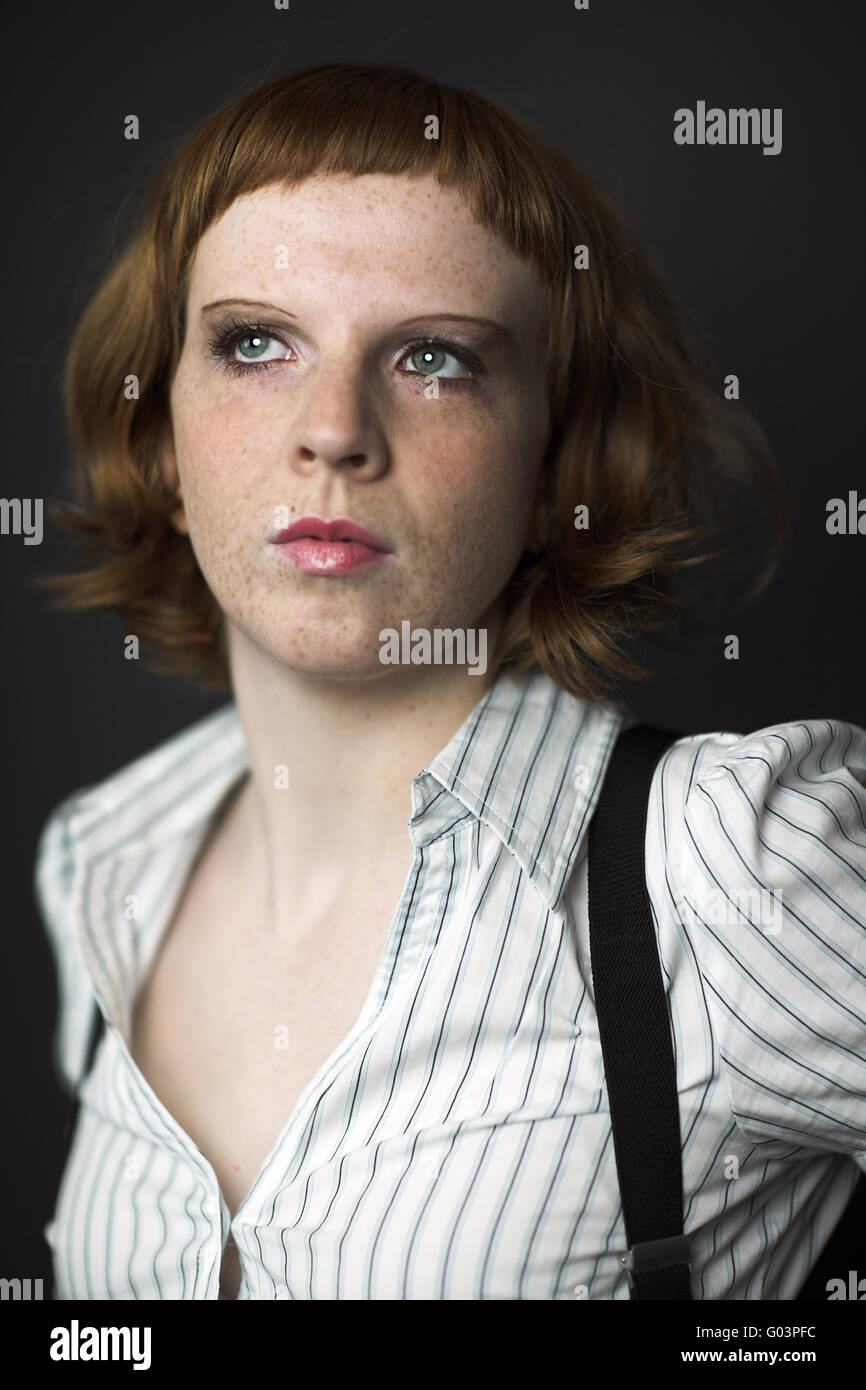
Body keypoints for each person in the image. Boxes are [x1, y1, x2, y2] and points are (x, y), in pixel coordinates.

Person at [33, 62, 865, 1301]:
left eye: (433, 358)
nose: (333, 430)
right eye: (254, 343)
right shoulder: (105, 860)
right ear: (159, 442)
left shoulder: (734, 865)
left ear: (554, 465)